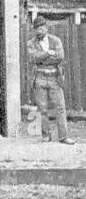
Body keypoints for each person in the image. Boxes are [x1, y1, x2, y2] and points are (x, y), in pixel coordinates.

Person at [28, 15, 75, 144]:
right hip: (39, 78)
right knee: (42, 109)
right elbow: (34, 58)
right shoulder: (31, 43)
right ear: (34, 29)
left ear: (46, 28)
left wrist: (44, 57)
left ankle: (63, 136)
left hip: (55, 77)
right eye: (37, 28)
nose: (39, 30)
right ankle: (46, 136)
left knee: (60, 107)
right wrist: (49, 53)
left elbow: (60, 57)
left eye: (42, 27)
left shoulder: (56, 40)